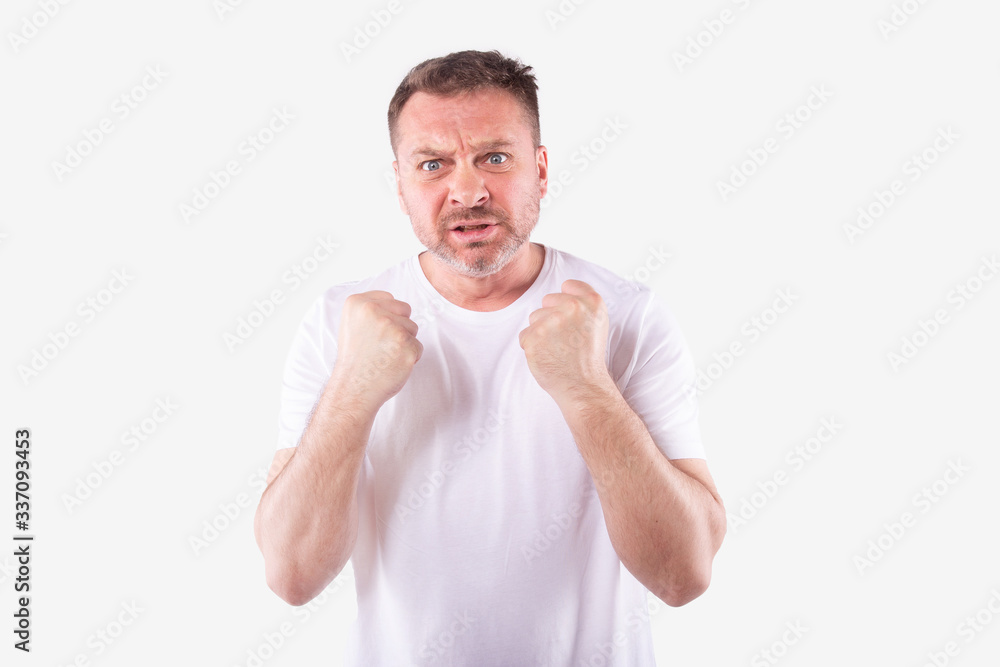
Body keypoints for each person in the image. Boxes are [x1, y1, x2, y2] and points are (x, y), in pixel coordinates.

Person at [254, 49, 725, 666]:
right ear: (400, 184)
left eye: (495, 158)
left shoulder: (628, 315)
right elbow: (292, 577)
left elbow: (682, 575)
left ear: (542, 170)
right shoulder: (338, 323)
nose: (467, 190)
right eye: (434, 164)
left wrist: (586, 389)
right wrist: (353, 388)